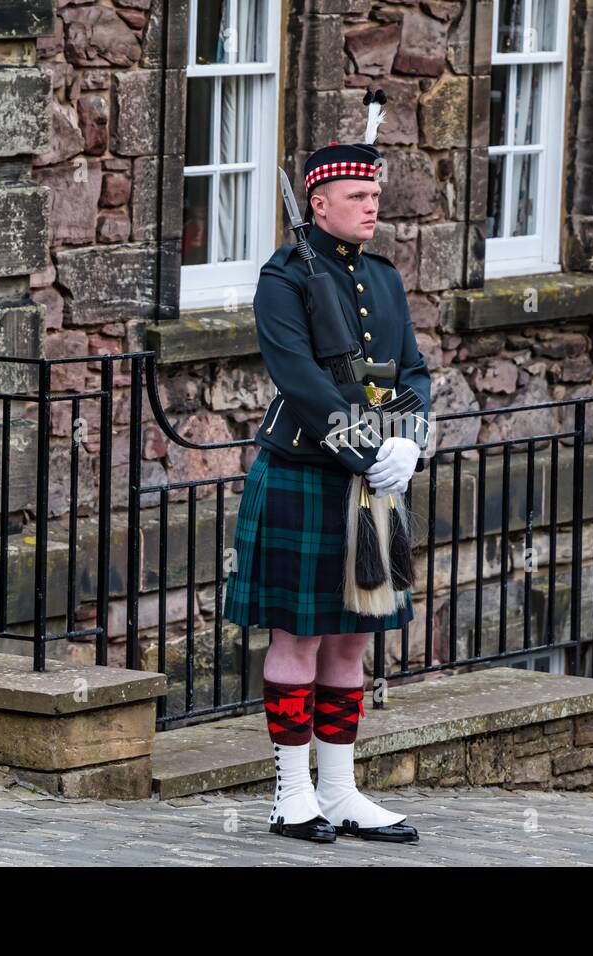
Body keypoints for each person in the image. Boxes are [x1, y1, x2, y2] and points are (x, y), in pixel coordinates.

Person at [222, 98, 430, 844]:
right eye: (359, 197)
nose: (373, 207)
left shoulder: (385, 278)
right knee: (299, 637)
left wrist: (413, 436)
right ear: (320, 202)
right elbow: (302, 381)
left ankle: (340, 792)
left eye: (377, 196)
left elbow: (412, 369)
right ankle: (290, 793)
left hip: (375, 486)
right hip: (308, 473)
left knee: (351, 642)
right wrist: (368, 451)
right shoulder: (283, 279)